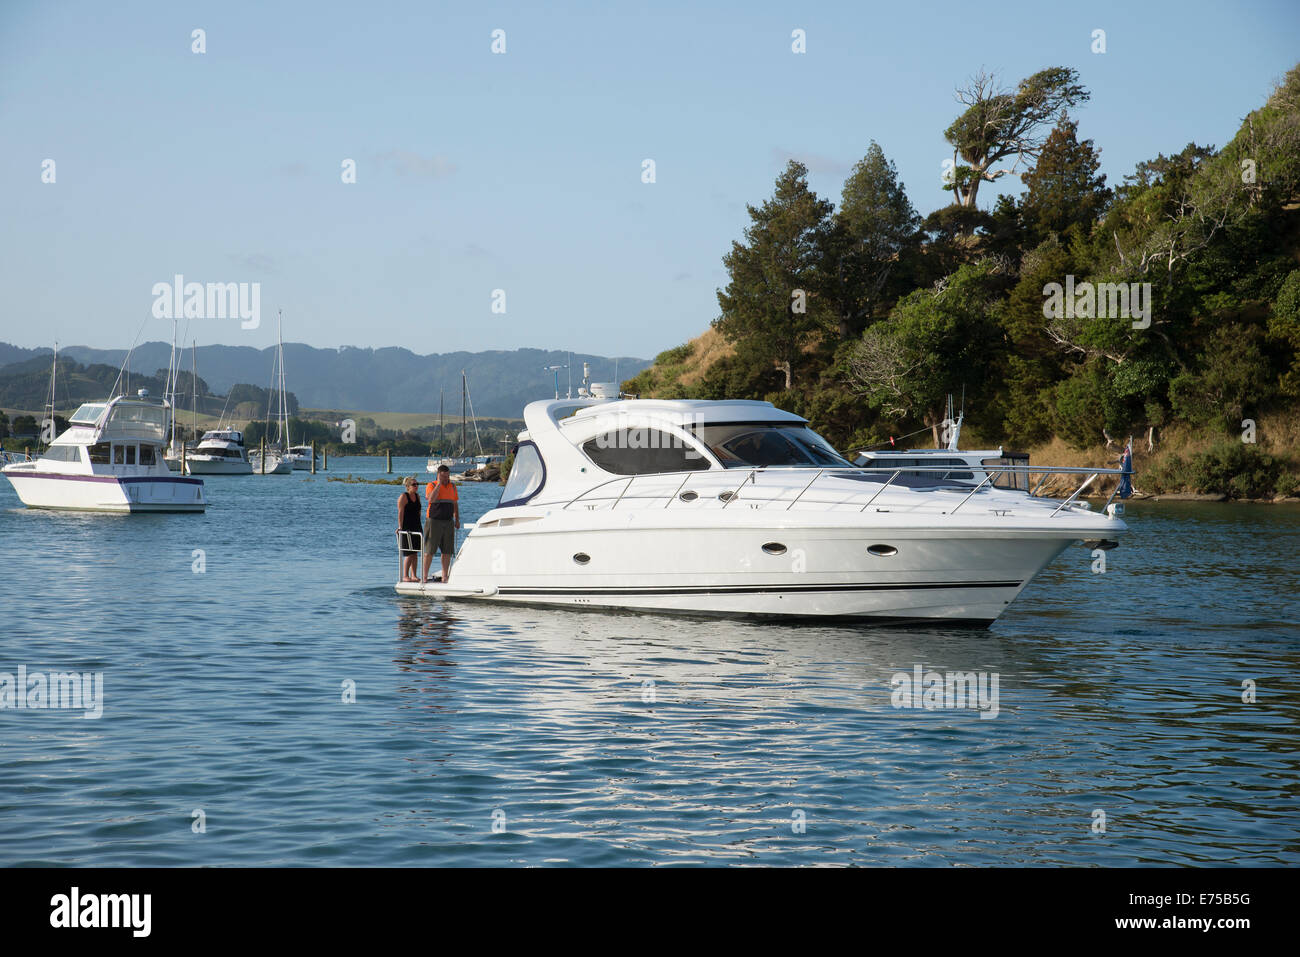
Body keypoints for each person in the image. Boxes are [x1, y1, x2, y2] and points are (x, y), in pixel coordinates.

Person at [422, 464, 461, 584]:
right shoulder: (431, 485)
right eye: (443, 476)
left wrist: (457, 519)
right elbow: (431, 499)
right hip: (434, 521)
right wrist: (438, 484)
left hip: (448, 521)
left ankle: (445, 576)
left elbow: (455, 503)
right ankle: (424, 576)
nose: (446, 478)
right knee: (429, 551)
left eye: (448, 476)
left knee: (447, 551)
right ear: (438, 475)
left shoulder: (453, 486)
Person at [396, 477, 422, 582]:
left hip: (416, 526)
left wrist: (419, 525)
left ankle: (414, 575)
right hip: (407, 527)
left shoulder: (417, 496)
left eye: (417, 484)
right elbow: (400, 513)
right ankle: (405, 575)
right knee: (409, 553)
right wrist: (400, 527)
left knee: (415, 552)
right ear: (408, 486)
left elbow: (419, 511)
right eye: (414, 485)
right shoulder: (404, 496)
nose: (416, 486)